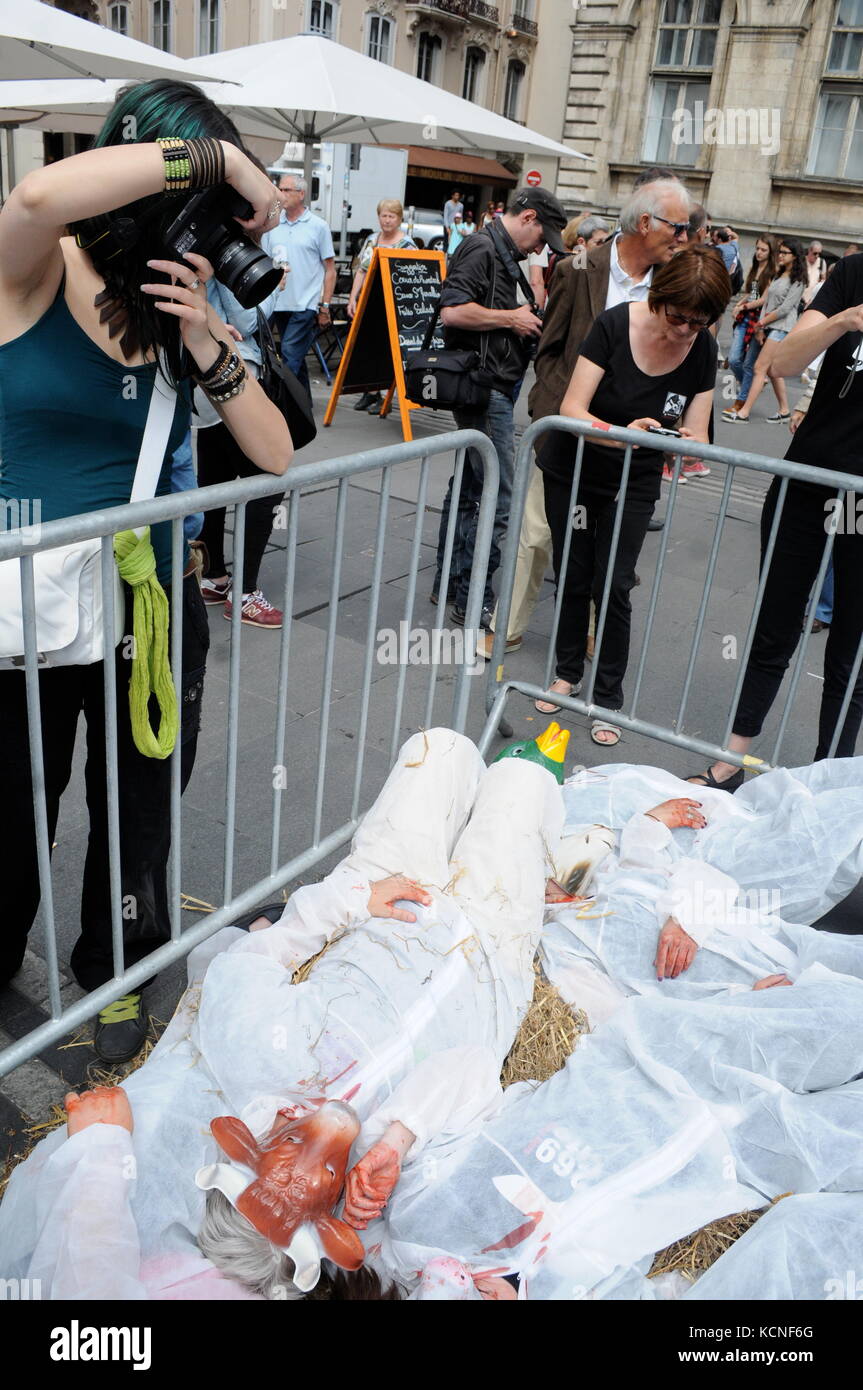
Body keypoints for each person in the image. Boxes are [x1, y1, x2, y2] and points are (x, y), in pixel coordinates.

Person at [0, 726, 571, 1299]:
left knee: (441, 747)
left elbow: (259, 953)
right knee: (524, 782)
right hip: (492, 959)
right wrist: (398, 1139)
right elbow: (473, 1067)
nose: (322, 1128)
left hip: (388, 907)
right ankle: (529, 795)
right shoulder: (378, 1159)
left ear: (247, 1145)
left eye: (294, 1143)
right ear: (330, 1214)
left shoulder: (260, 1056)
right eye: (326, 1171)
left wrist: (354, 901)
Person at [0, 79, 293, 1061]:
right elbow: (38, 198)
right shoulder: (36, 267)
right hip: (27, 601)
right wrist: (215, 158)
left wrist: (210, 342)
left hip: (150, 606)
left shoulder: (173, 297)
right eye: (196, 187)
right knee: (12, 805)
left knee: (139, 809)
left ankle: (119, 967)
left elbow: (276, 450)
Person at [479, 179, 692, 664]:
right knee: (535, 534)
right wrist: (548, 413)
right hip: (566, 425)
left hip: (628, 437)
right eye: (677, 227)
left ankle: (592, 630)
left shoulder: (673, 280)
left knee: (606, 545)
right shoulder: (580, 268)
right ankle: (506, 626)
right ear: (645, 223)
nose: (683, 237)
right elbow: (549, 347)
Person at [533, 245, 727, 744]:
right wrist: (621, 430)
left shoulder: (702, 348)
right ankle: (567, 671)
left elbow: (698, 434)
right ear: (659, 297)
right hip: (574, 466)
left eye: (699, 322)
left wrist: (678, 444)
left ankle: (609, 700)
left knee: (615, 583)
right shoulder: (616, 324)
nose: (685, 330)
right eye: (678, 317)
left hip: (634, 479)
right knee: (574, 571)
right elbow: (573, 406)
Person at [694, 248, 863, 786]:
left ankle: (827, 782)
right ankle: (732, 760)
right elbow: (783, 363)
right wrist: (844, 320)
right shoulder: (855, 275)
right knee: (777, 621)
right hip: (809, 478)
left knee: (851, 648)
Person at [429, 186, 568, 630]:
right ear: (528, 217)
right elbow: (451, 312)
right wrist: (512, 318)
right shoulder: (483, 246)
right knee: (500, 497)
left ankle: (450, 585)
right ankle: (473, 600)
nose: (543, 248)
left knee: (471, 489)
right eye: (543, 237)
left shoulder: (498, 248)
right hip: (483, 387)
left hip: (489, 385)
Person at [196, 274, 286, 628]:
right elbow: (248, 320)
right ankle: (244, 593)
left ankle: (214, 577)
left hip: (204, 381)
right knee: (267, 481)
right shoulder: (226, 255)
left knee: (215, 480)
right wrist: (268, 288)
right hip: (230, 374)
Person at [262, 172, 336, 399]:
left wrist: (324, 305)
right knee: (295, 355)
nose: (281, 194)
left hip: (306, 303)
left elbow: (330, 269)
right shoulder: (272, 223)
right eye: (280, 189)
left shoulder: (318, 226)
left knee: (289, 354)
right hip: (279, 301)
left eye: (286, 190)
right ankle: (303, 405)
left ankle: (283, 406)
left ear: (301, 194)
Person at [721, 236, 806, 424]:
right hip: (762, 324)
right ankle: (784, 410)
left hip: (780, 327)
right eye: (780, 252)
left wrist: (759, 321)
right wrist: (758, 324)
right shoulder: (774, 273)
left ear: (795, 256)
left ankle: (743, 411)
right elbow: (762, 299)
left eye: (784, 253)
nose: (780, 255)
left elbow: (784, 309)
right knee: (769, 370)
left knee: (759, 368)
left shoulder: (797, 279)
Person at [347, 198, 416, 414]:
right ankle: (370, 392)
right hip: (369, 304)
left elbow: (411, 278)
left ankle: (386, 397)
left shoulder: (407, 245)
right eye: (383, 216)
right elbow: (362, 270)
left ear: (399, 219)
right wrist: (353, 298)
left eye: (391, 216)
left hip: (393, 307)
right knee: (368, 347)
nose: (386, 220)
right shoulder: (371, 240)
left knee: (389, 350)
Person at [725, 234, 777, 414]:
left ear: (771, 252)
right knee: (733, 359)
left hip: (758, 319)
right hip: (746, 316)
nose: (759, 253)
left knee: (748, 364)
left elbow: (764, 299)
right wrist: (740, 304)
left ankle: (742, 400)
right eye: (757, 249)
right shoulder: (755, 268)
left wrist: (743, 306)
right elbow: (752, 293)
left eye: (763, 250)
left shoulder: (772, 272)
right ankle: (753, 383)